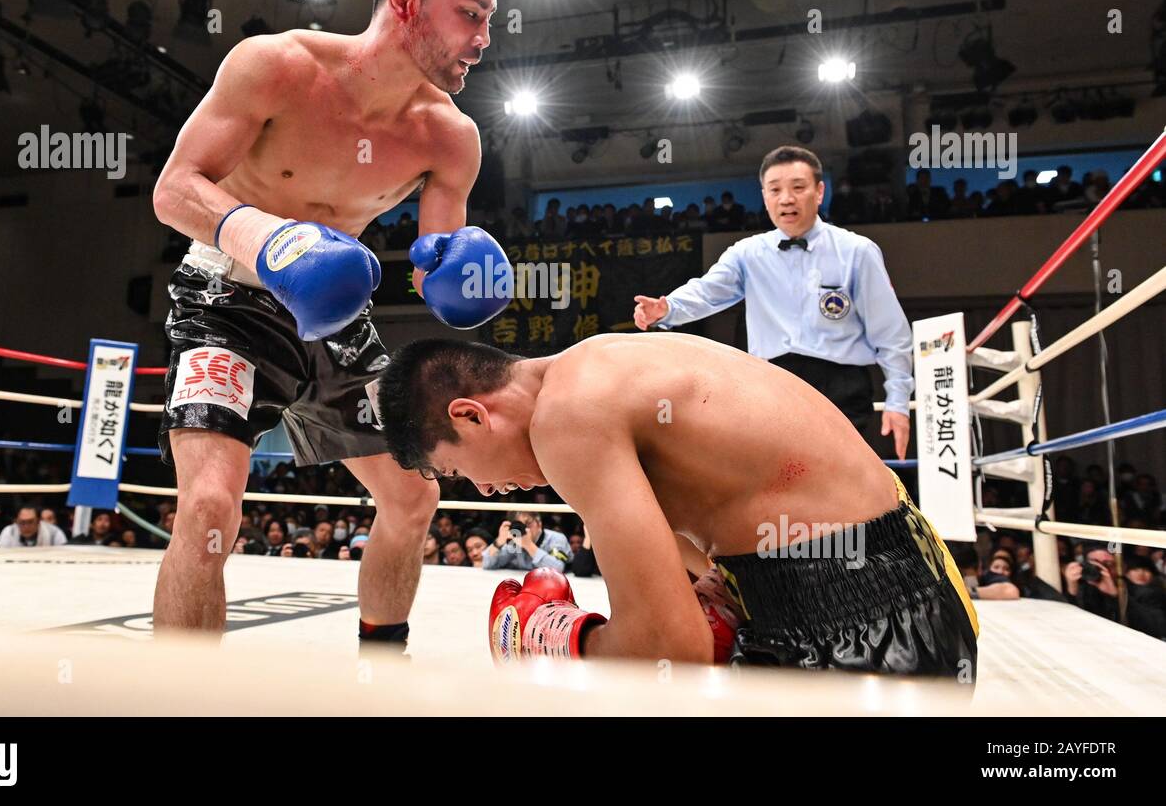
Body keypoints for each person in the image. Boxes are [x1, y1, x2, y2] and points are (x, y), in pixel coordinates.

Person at [149, 0, 512, 652]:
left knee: (412, 496)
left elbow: (437, 252)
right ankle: (178, 700)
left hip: (335, 316)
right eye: (470, 14)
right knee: (211, 507)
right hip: (225, 301)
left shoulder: (452, 137)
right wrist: (267, 236)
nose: (482, 39)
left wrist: (462, 270)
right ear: (406, 1)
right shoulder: (275, 66)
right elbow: (174, 189)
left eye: (489, 19)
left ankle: (380, 670)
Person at [373, 335, 977, 675]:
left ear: (472, 415)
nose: (482, 490)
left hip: (861, 637)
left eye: (454, 470)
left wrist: (550, 634)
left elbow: (669, 647)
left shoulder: (568, 417)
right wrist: (716, 585)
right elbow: (709, 536)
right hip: (910, 598)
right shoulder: (602, 364)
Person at [634, 146, 912, 458]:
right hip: (772, 383)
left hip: (841, 384)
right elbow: (707, 291)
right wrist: (668, 308)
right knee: (777, 484)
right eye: (775, 189)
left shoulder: (857, 251)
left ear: (819, 192)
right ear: (764, 196)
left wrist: (898, 401)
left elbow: (891, 333)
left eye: (797, 187)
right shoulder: (747, 253)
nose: (786, 199)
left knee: (838, 490)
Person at [481, 511, 570, 572]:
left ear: (539, 524)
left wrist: (529, 545)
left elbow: (558, 569)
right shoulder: (515, 542)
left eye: (528, 523)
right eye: (520, 526)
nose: (525, 529)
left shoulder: (556, 538)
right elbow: (487, 564)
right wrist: (499, 541)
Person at [0, 505, 68, 548]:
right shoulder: (9, 532)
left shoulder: (54, 533)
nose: (26, 526)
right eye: (22, 522)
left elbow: (65, 556)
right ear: (16, 521)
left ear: (39, 521)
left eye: (30, 522)